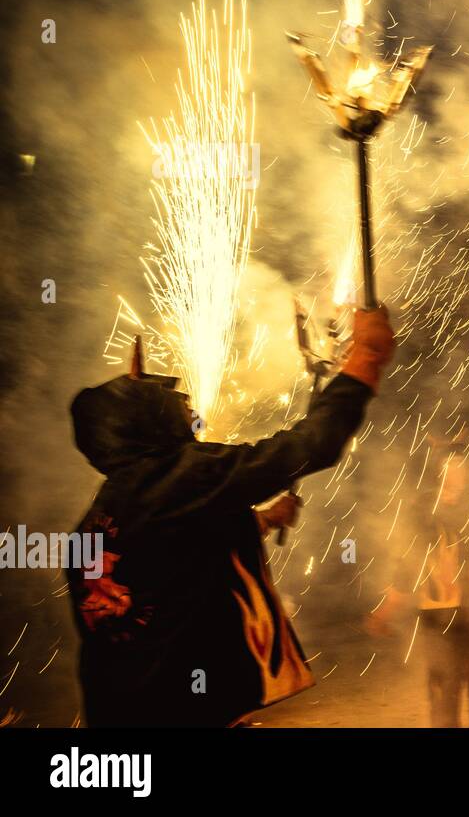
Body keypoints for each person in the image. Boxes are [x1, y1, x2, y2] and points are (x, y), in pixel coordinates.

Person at [66, 307, 396, 727]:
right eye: (173, 399)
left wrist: (264, 519)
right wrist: (364, 357)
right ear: (145, 422)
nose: (185, 403)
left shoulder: (103, 513)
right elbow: (309, 446)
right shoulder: (178, 477)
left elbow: (172, 557)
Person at [371, 435, 469, 727]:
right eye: (448, 464)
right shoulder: (423, 509)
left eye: (460, 464)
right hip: (439, 617)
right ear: (438, 470)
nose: (455, 470)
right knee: (443, 698)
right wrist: (389, 606)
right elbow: (409, 562)